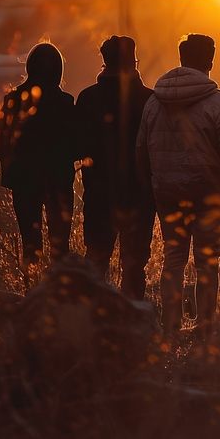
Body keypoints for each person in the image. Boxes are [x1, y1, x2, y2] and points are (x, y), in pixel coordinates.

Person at [136, 34, 220, 338]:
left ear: (182, 58)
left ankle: (169, 328)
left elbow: (141, 150)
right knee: (207, 261)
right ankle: (205, 327)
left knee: (174, 258)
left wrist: (154, 183)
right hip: (207, 192)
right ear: (209, 61)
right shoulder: (218, 104)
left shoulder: (153, 104)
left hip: (168, 193)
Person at [0, 42, 76, 289]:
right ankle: (60, 296)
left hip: (25, 183)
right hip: (59, 181)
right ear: (58, 70)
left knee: (31, 245)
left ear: (30, 68)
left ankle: (33, 296)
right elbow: (78, 146)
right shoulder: (66, 102)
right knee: (60, 247)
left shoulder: (13, 100)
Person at [76, 36, 155, 300]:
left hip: (98, 194)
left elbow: (79, 147)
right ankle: (132, 322)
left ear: (104, 62)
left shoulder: (87, 99)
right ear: (133, 63)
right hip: (139, 194)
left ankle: (93, 322)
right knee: (134, 266)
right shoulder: (149, 101)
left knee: (97, 261)